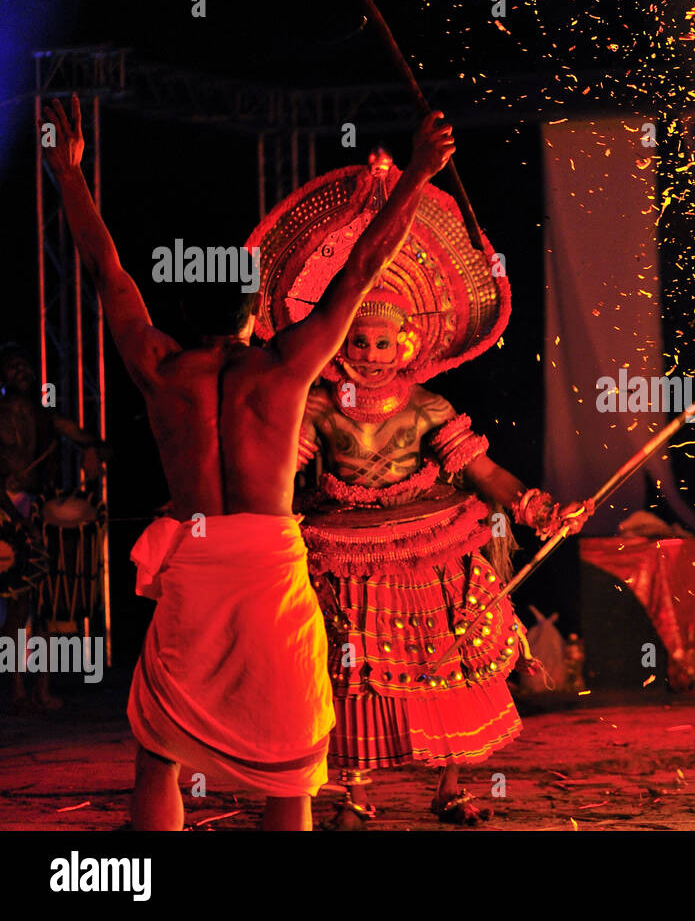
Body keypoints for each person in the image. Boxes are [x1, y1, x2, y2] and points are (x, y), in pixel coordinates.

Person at [44, 93, 456, 829]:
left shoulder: (161, 370)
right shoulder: (285, 366)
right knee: (289, 765)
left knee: (159, 750)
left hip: (196, 569)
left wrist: (67, 176)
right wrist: (417, 174)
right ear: (251, 309)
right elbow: (362, 270)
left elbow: (107, 273)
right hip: (267, 568)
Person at [297, 288, 591, 827]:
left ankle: (450, 789)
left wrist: (543, 511)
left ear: (404, 346)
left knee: (448, 659)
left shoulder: (428, 406)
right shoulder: (317, 404)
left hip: (428, 542)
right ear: (340, 345)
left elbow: (486, 474)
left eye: (381, 342)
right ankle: (356, 796)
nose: (368, 353)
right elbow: (277, 470)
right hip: (347, 550)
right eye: (358, 341)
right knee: (353, 667)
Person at [0, 342, 107, 709]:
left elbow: (87, 438)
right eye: (13, 367)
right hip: (6, 512)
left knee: (44, 605)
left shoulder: (47, 416)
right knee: (17, 606)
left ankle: (42, 688)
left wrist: (92, 450)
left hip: (38, 511)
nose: (22, 372)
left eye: (25, 366)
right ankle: (15, 687)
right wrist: (12, 519)